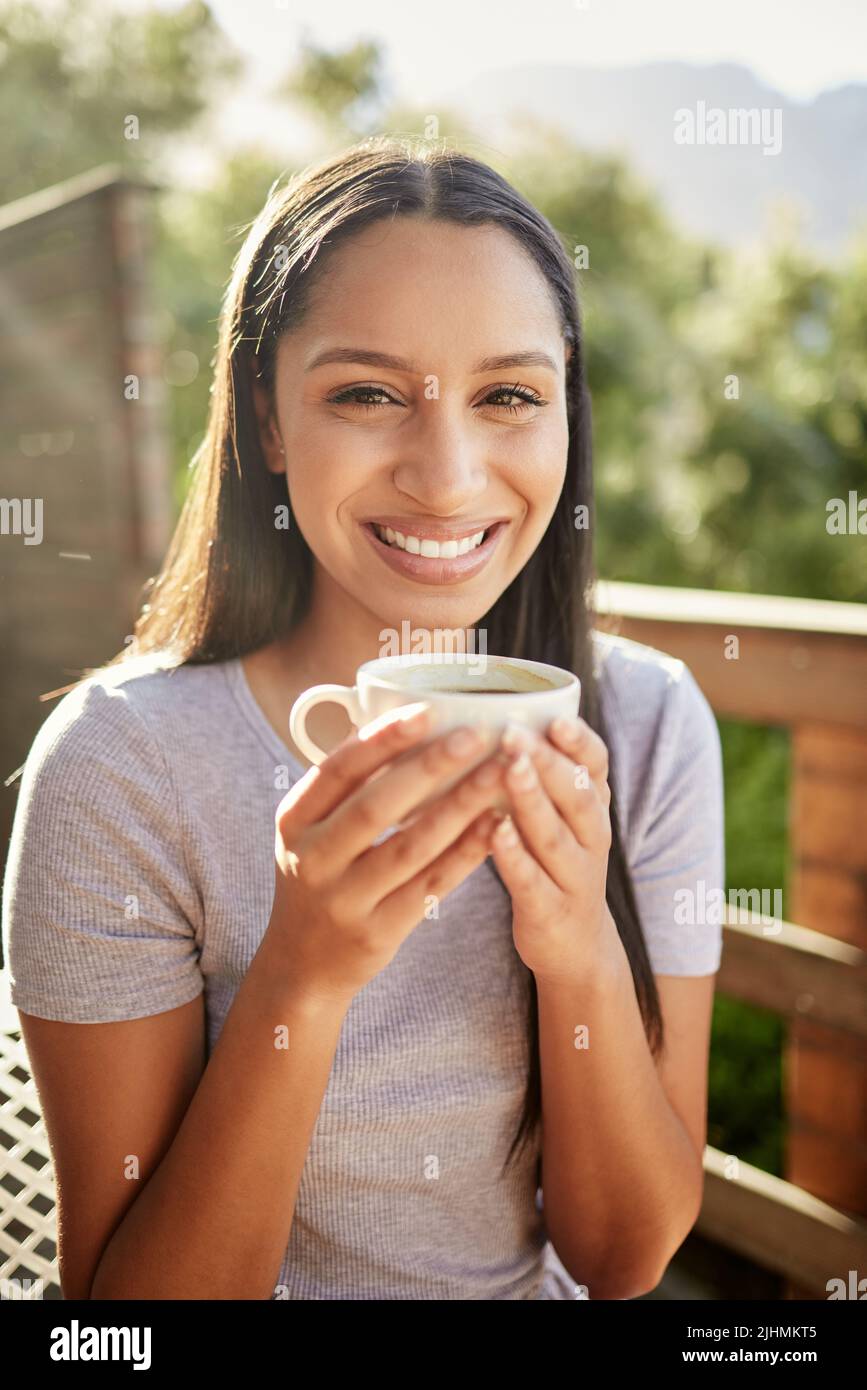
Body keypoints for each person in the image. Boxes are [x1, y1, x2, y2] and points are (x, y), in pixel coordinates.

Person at [1, 135, 724, 1301]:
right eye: (368, 394)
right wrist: (303, 977)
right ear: (269, 419)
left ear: (565, 419)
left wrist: (581, 949)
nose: (446, 476)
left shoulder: (644, 724)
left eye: (508, 396)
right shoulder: (120, 768)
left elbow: (625, 1257)